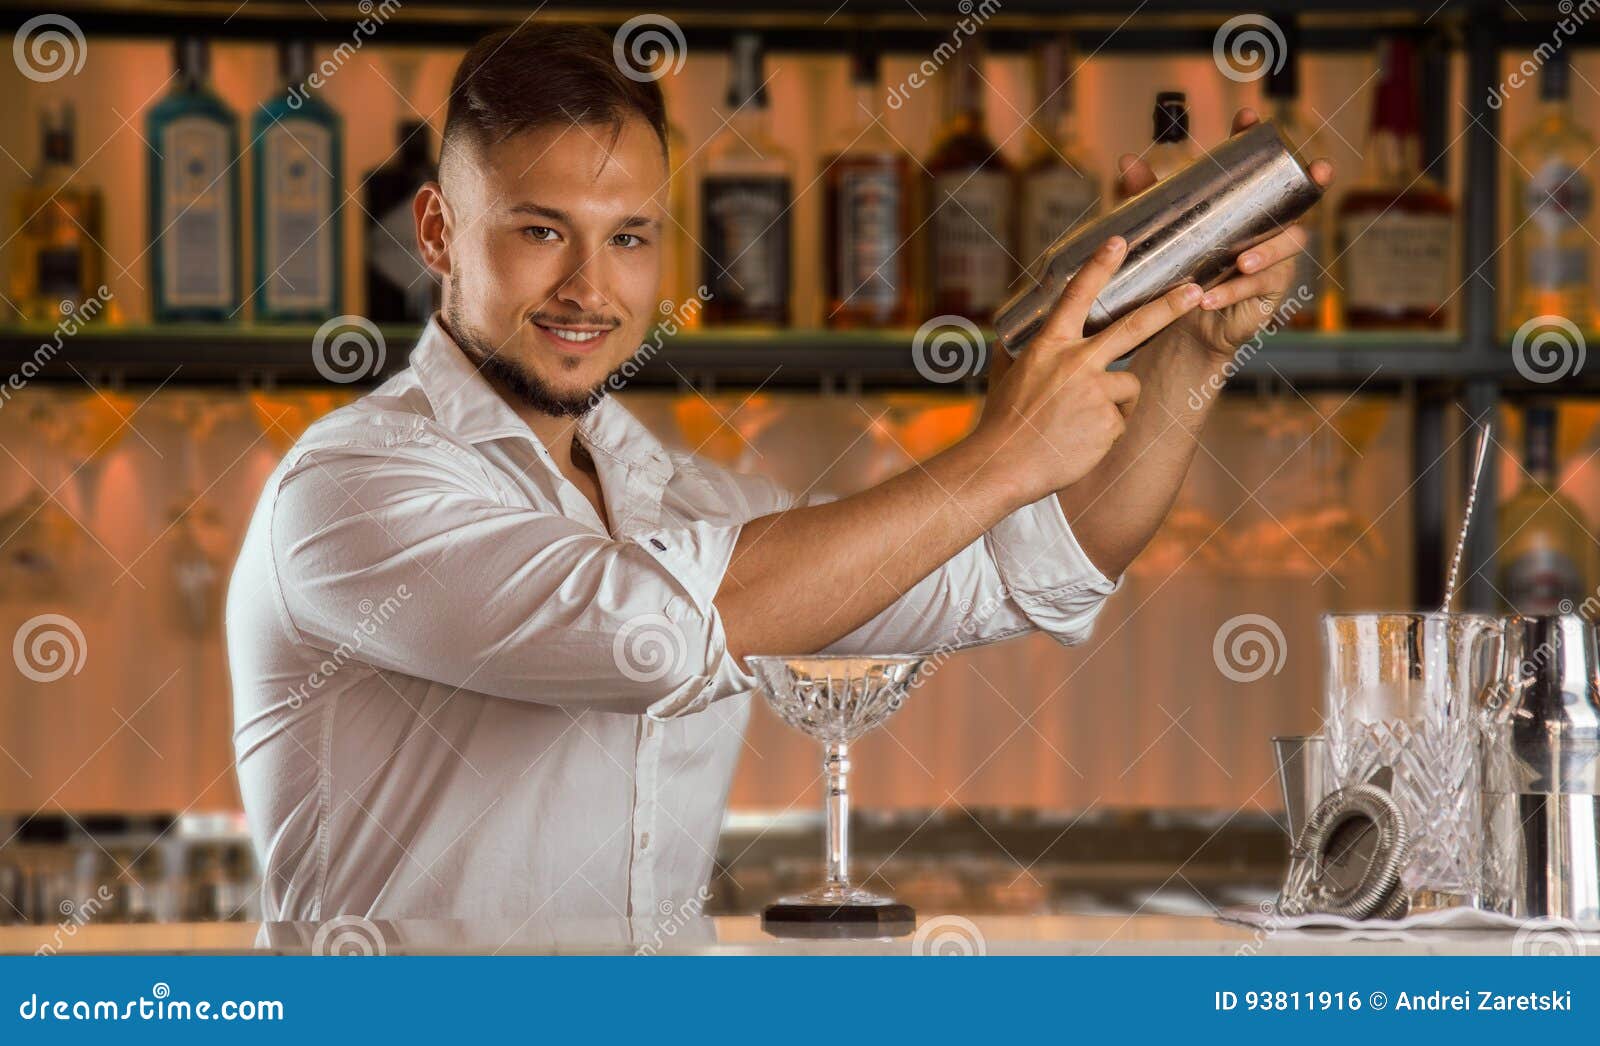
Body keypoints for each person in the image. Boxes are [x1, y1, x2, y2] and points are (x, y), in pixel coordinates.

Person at [226, 24, 1333, 923]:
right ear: (434, 230)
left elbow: (1033, 566)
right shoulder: (349, 488)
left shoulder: (696, 502)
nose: (589, 288)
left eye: (629, 237)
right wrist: (999, 455)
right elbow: (646, 632)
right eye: (540, 231)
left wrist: (1190, 350)